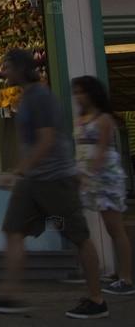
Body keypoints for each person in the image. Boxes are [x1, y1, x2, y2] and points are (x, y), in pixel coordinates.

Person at [0, 49, 108, 319]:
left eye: (7, 66)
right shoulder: (28, 97)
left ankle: (96, 298)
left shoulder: (40, 97)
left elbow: (47, 140)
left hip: (55, 180)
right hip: (32, 181)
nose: (3, 72)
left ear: (21, 68)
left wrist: (18, 171)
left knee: (79, 237)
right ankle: (10, 295)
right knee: (13, 230)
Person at [72, 75, 134, 295]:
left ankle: (125, 277)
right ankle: (106, 271)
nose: (78, 96)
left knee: (114, 228)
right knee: (87, 226)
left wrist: (89, 173)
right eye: (76, 92)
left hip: (105, 177)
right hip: (86, 176)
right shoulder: (81, 119)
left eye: (82, 91)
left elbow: (101, 150)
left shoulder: (104, 119)